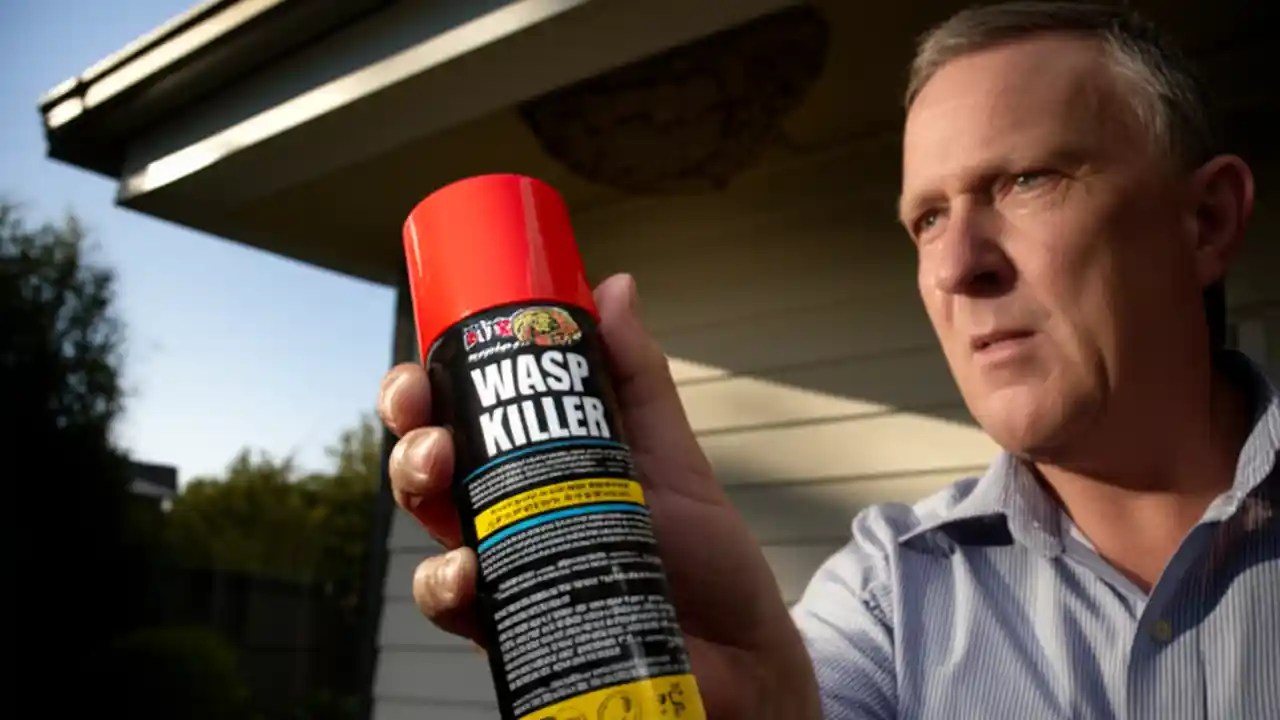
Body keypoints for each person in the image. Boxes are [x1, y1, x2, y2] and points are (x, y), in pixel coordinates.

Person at [377, 2, 1277, 717]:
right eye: (926, 219)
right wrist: (767, 702)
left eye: (1024, 181)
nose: (959, 267)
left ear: (1205, 222)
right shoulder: (889, 590)